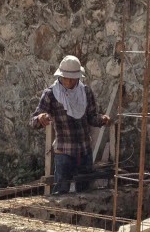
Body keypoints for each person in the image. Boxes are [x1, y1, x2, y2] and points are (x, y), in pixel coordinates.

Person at [31, 55, 111, 194]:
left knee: (85, 193)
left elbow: (91, 118)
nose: (67, 81)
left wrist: (102, 119)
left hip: (84, 151)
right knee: (60, 192)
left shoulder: (85, 92)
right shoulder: (51, 94)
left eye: (71, 78)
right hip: (64, 152)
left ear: (77, 78)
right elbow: (33, 121)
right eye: (65, 77)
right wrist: (40, 118)